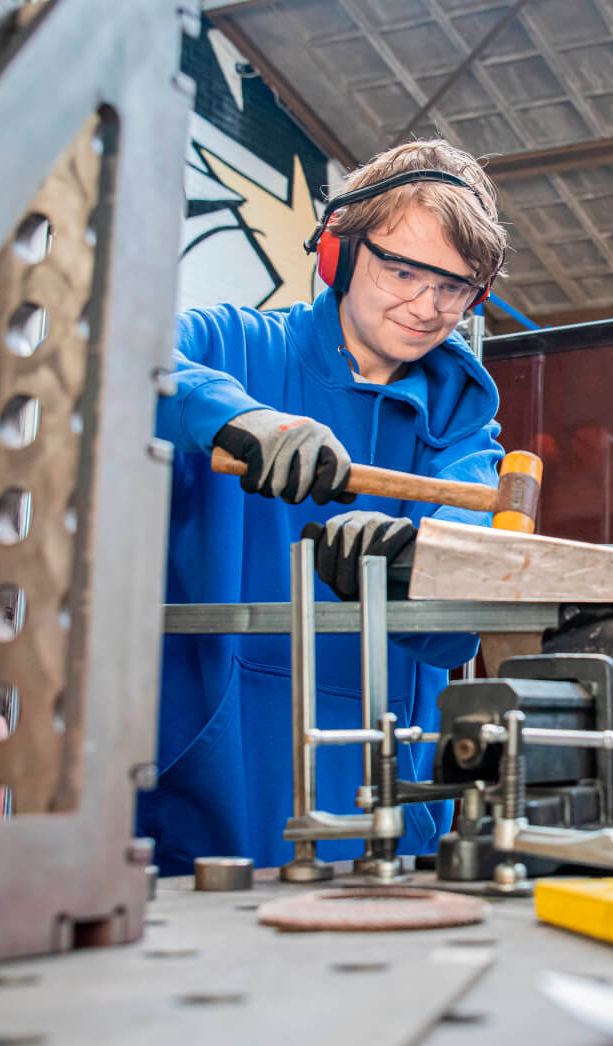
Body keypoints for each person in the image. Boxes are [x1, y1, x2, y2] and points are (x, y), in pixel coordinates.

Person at [141, 140, 510, 876]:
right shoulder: (231, 347)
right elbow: (125, 362)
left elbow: (458, 632)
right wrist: (240, 420)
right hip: (205, 787)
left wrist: (409, 568)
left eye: (454, 288)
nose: (425, 306)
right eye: (401, 271)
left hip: (385, 806)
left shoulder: (463, 433)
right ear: (338, 254)